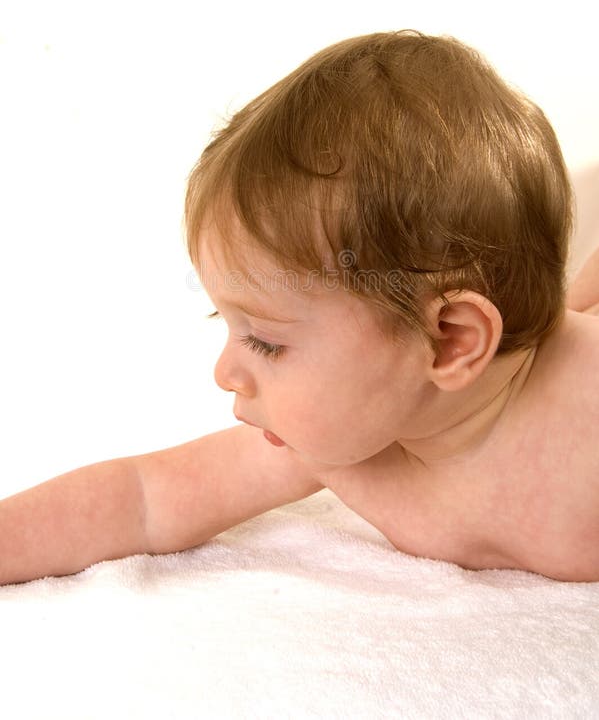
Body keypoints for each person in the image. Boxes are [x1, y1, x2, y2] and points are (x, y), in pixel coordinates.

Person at [2, 30, 598, 587]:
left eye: (265, 341)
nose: (224, 373)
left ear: (449, 341)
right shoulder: (346, 445)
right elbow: (143, 498)